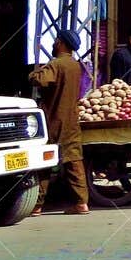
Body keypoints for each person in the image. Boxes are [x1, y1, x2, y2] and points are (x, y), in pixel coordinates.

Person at [31, 29, 89, 215]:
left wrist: (34, 73)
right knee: (74, 161)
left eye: (56, 40)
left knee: (45, 162)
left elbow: (39, 80)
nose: (54, 43)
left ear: (61, 43)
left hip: (54, 119)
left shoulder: (56, 64)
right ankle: (81, 203)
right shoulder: (75, 65)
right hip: (72, 120)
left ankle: (37, 204)